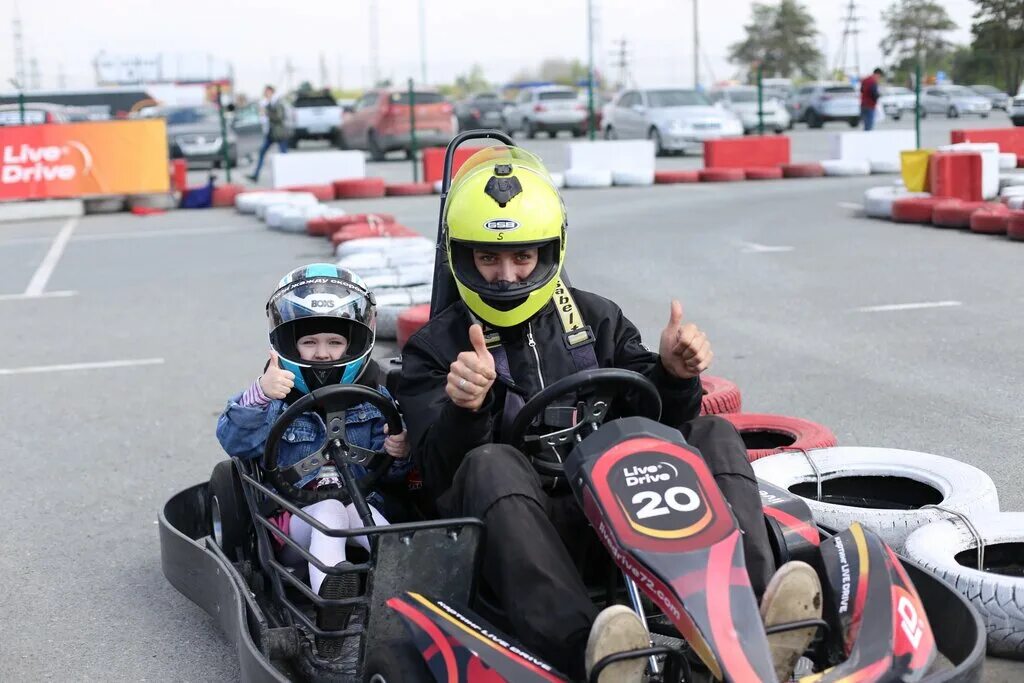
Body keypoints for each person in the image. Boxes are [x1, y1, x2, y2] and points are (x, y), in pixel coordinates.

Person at [398, 147, 822, 682]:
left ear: (550, 252)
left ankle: (756, 614)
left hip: (621, 507)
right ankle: (593, 653)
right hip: (516, 533)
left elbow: (659, 418)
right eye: (488, 258)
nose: (506, 276)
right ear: (462, 258)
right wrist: (466, 408)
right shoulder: (433, 350)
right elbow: (438, 474)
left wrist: (673, 371)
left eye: (522, 257)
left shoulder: (597, 318)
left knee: (711, 430)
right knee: (491, 463)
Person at [216, 264, 411, 658]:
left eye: (334, 342)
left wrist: (400, 452)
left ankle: (409, 595)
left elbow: (394, 475)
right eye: (310, 343)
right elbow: (235, 441)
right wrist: (260, 394)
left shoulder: (374, 403)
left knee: (373, 523)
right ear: (288, 344)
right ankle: (331, 610)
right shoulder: (275, 398)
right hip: (290, 525)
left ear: (356, 343)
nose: (322, 353)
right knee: (329, 511)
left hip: (360, 507)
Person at [247, 84, 289, 183]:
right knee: (262, 153)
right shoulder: (267, 103)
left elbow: (279, 117)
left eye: (267, 91)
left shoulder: (277, 103)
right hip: (270, 133)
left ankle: (288, 176)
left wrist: (267, 113)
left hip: (279, 133)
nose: (265, 93)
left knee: (284, 156)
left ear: (271, 92)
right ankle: (256, 175)